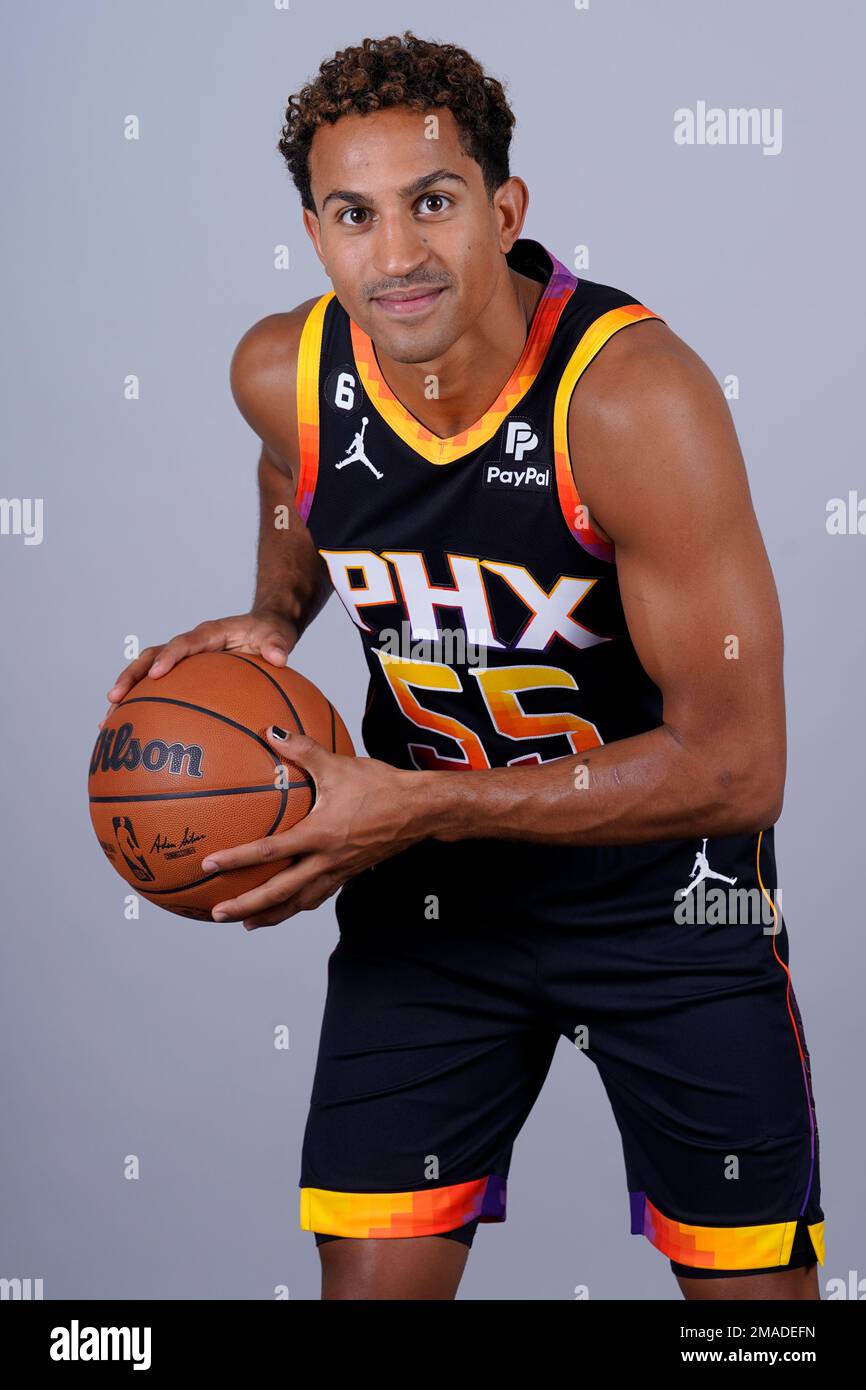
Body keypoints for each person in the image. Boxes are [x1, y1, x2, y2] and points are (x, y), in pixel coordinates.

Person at [104, 32, 824, 1301]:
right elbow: (297, 479)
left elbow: (736, 767)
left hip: (660, 897)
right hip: (429, 906)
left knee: (752, 1328)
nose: (396, 254)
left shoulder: (629, 402)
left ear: (503, 210)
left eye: (432, 203)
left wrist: (416, 804)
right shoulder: (284, 373)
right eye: (353, 215)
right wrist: (274, 616)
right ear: (314, 234)